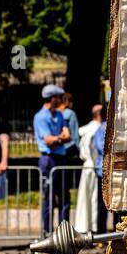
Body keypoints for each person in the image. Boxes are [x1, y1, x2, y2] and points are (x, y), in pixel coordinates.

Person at [35, 84, 72, 235]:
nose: (60, 100)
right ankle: (48, 232)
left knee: (64, 197)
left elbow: (68, 135)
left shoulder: (59, 115)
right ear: (52, 98)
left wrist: (57, 139)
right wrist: (60, 138)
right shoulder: (40, 117)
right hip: (48, 159)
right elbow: (48, 141)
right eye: (58, 97)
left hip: (60, 158)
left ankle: (63, 232)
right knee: (49, 198)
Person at [74, 104, 104, 233]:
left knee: (87, 197)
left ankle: (87, 225)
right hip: (93, 165)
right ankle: (92, 226)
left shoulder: (87, 128)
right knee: (92, 198)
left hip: (89, 165)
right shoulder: (97, 128)